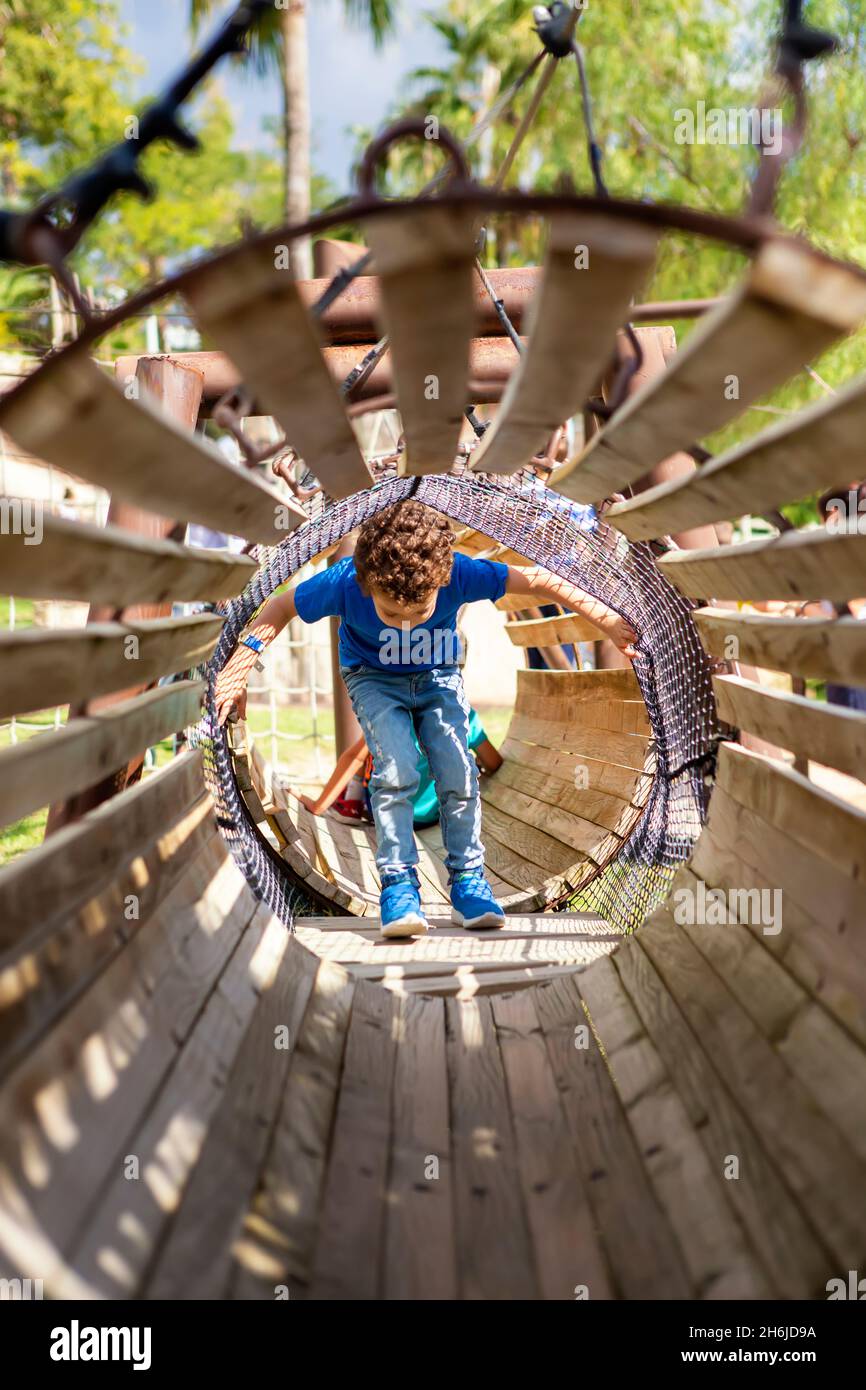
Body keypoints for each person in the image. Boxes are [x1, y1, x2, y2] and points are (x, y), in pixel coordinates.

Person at [215, 499, 637, 939]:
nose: (403, 625)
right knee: (395, 769)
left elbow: (537, 580)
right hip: (373, 679)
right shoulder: (346, 582)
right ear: (367, 583)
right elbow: (281, 607)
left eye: (418, 613)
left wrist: (605, 619)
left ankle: (469, 881)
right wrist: (242, 664)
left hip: (438, 676)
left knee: (458, 771)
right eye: (391, 613)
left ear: (442, 581)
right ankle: (399, 886)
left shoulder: (461, 573)